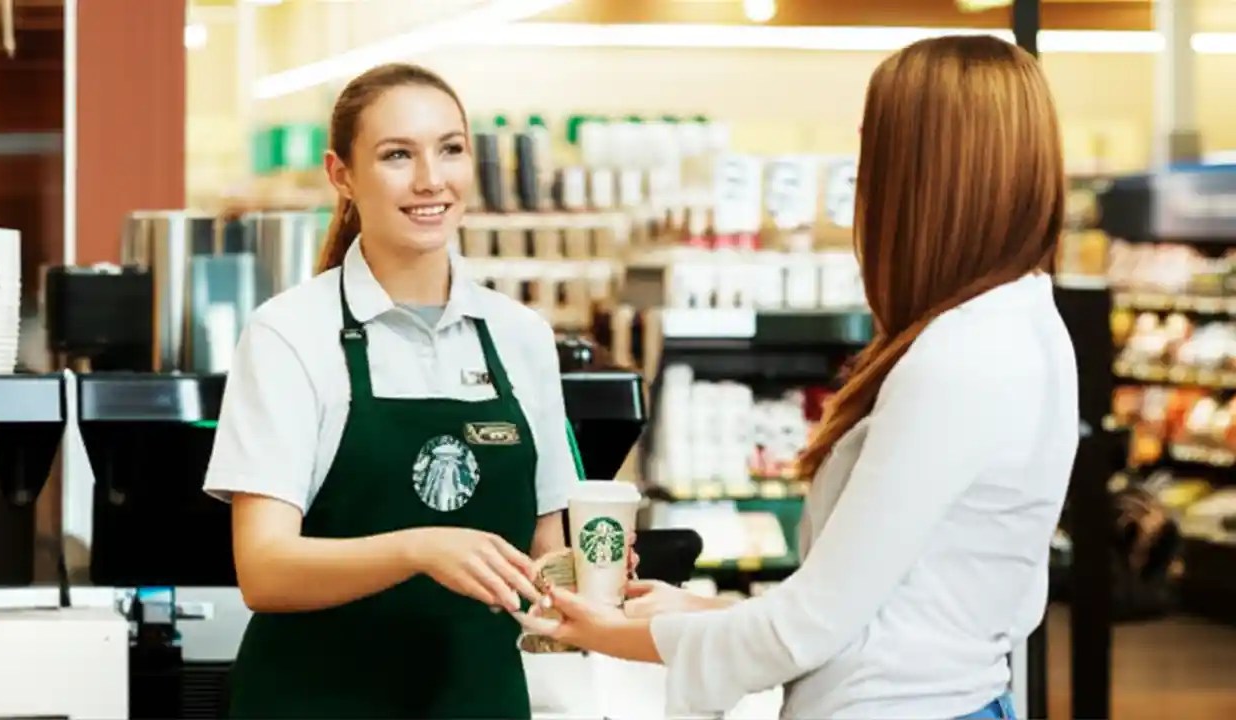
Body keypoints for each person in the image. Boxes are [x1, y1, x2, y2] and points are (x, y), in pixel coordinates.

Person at [527, 35, 1077, 720]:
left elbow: (810, 627)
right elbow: (891, 608)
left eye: (873, 152)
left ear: (925, 173)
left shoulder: (959, 358)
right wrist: (697, 614)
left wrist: (613, 634)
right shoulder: (1023, 320)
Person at [202, 63, 579, 719]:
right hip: (315, 704)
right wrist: (419, 547)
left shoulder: (521, 336)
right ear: (341, 174)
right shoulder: (290, 334)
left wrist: (591, 573)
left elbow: (545, 550)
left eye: (451, 149)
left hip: (477, 702)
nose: (432, 179)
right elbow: (263, 570)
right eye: (397, 155)